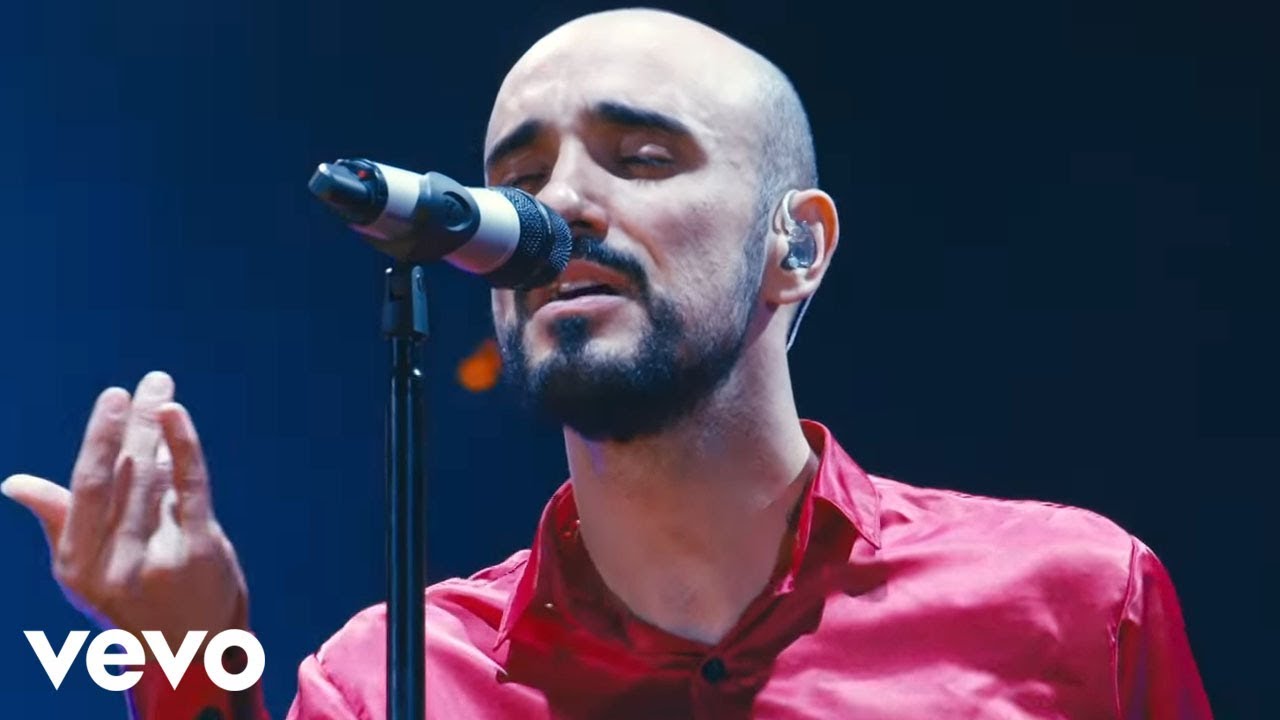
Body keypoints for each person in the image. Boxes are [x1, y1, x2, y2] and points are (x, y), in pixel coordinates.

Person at [2, 8, 1212, 719]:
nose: (558, 206)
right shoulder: (393, 678)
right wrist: (182, 652)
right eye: (517, 181)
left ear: (795, 245)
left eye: (638, 157)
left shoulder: (1068, 597)